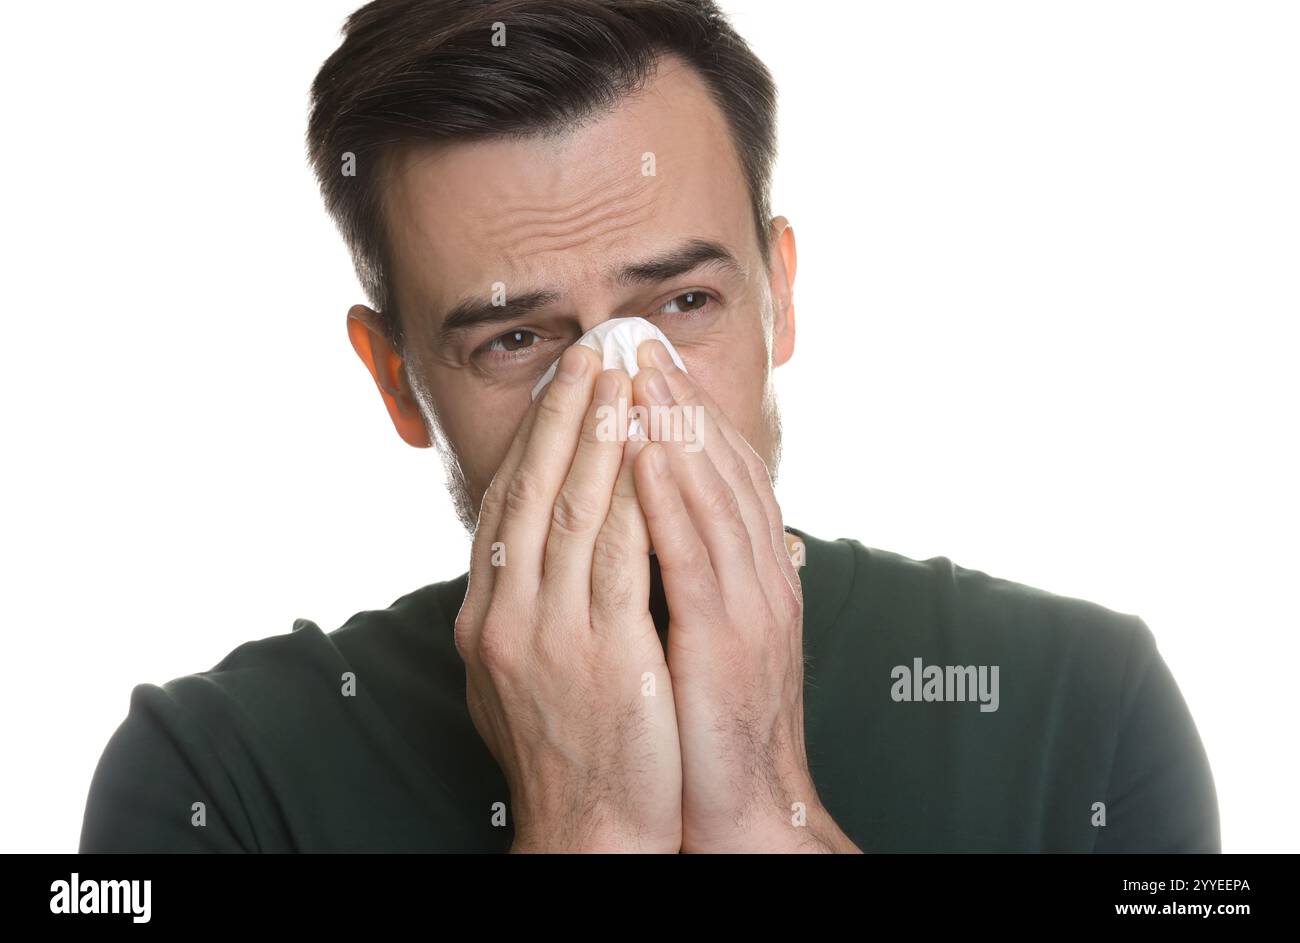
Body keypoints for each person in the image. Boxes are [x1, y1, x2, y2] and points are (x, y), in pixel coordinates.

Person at [79, 0, 1219, 853]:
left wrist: (766, 806)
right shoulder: (216, 781)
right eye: (516, 339)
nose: (622, 396)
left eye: (682, 305)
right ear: (395, 380)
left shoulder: (1084, 706)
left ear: (779, 293)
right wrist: (587, 824)